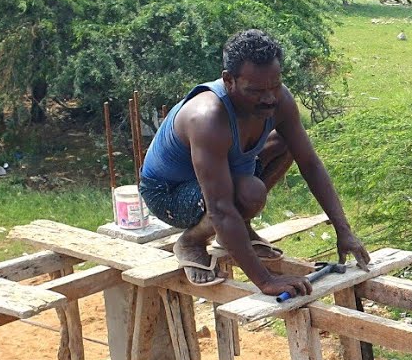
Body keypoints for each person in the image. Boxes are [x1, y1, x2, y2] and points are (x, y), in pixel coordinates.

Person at [139, 29, 369, 294]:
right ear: (229, 81)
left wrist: (344, 230)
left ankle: (241, 228)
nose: (269, 98)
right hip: (169, 194)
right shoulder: (208, 118)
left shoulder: (279, 99)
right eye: (256, 91)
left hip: (220, 177)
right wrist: (266, 280)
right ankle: (191, 241)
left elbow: (311, 164)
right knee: (250, 192)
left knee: (287, 144)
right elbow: (221, 207)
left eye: (275, 86)